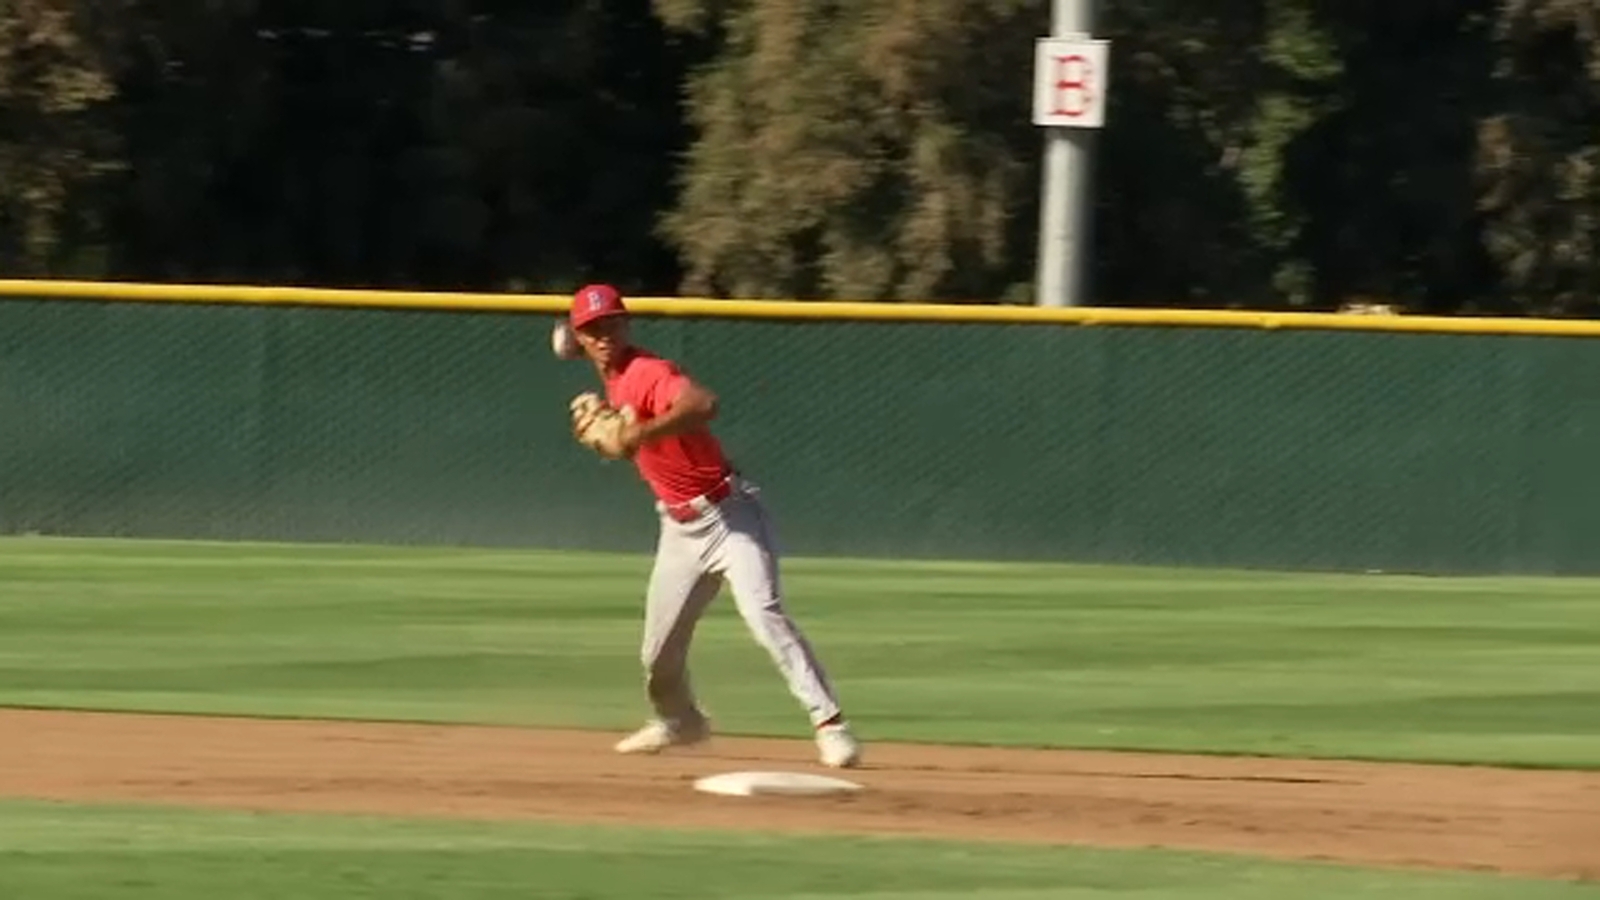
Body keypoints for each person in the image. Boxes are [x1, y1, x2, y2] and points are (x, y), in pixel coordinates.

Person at [562, 283, 862, 769]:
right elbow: (576, 346)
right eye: (593, 329)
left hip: (729, 515)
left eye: (612, 323)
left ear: (627, 325)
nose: (604, 335)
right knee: (658, 652)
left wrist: (640, 432)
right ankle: (682, 721)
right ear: (580, 336)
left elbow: (703, 404)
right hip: (678, 529)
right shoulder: (611, 375)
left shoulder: (647, 373)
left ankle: (831, 724)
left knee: (764, 614)